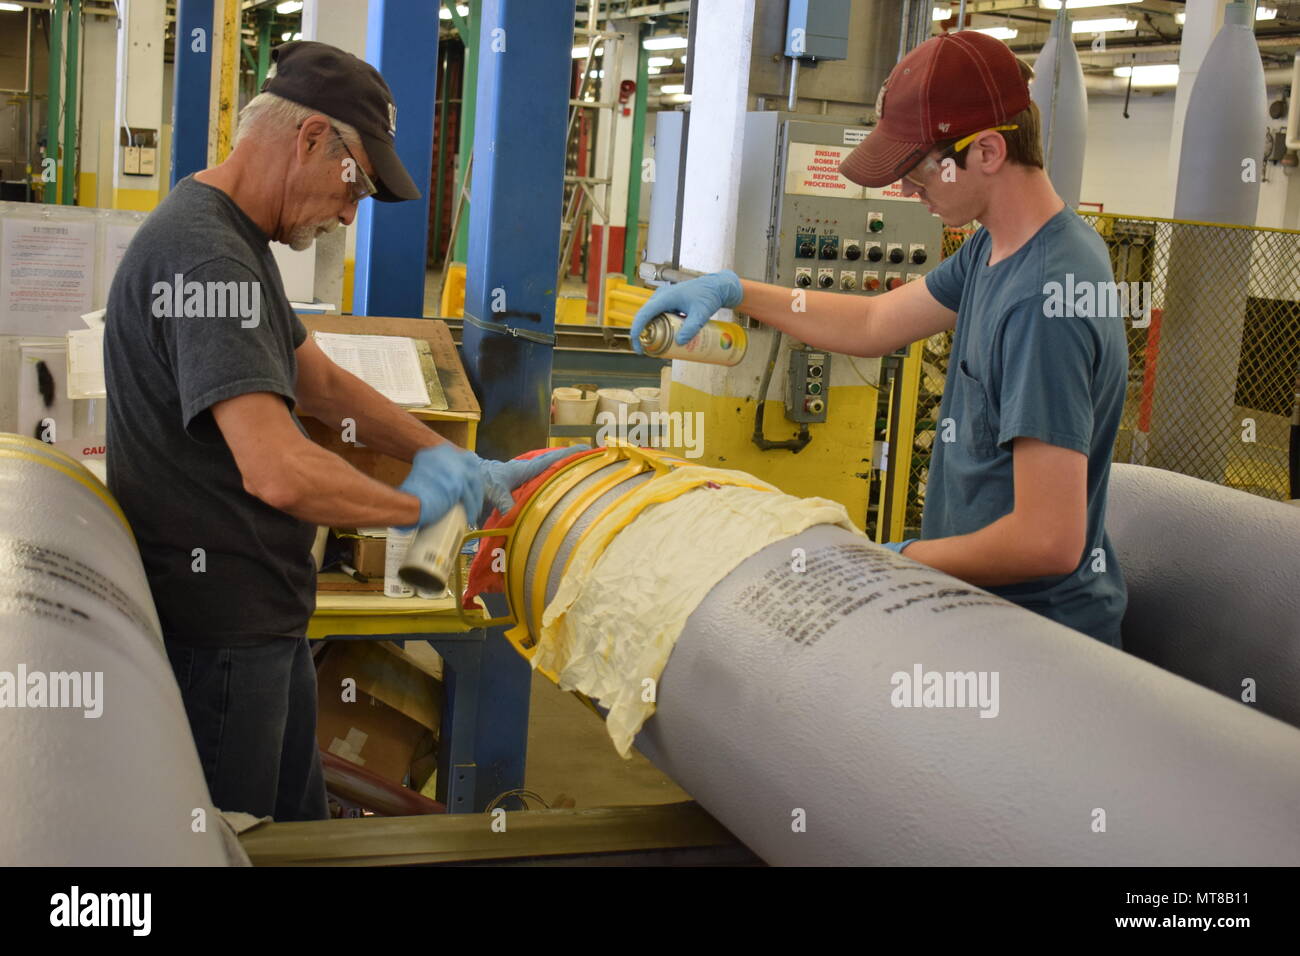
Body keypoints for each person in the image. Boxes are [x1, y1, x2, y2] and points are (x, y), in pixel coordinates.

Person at [104, 41, 564, 820]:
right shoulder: (208, 258)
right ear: (312, 136)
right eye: (354, 187)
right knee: (240, 840)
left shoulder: (228, 236)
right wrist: (419, 507)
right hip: (219, 633)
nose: (350, 213)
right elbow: (279, 469)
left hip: (260, 618)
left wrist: (454, 459)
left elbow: (318, 382)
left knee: (299, 835)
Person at [631, 31, 1128, 648]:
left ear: (989, 152)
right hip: (982, 612)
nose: (905, 191)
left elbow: (1048, 540)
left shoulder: (1043, 298)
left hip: (1037, 638)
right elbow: (873, 325)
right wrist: (735, 290)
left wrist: (900, 557)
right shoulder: (993, 250)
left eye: (918, 169)